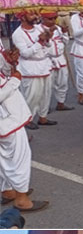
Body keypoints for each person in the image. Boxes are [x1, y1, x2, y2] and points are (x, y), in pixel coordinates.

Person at [0, 49, 47, 213]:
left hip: (7, 118)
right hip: (8, 120)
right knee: (19, 158)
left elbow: (2, 71)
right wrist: (14, 81)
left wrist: (8, 61)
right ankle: (21, 199)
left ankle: (7, 191)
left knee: (4, 158)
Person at [12, 10, 55, 129]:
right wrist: (40, 41)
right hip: (30, 68)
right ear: (23, 18)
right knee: (32, 96)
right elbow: (25, 53)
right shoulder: (17, 34)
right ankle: (27, 119)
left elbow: (48, 46)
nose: (35, 17)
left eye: (35, 14)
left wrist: (47, 38)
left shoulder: (38, 28)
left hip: (44, 66)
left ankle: (43, 117)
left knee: (46, 94)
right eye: (31, 14)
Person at [41, 11, 73, 113]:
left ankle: (61, 103)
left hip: (60, 58)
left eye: (55, 18)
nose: (53, 21)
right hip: (47, 60)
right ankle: (44, 107)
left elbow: (65, 42)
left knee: (63, 82)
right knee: (47, 86)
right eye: (50, 19)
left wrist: (64, 33)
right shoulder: (38, 29)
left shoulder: (58, 28)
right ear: (43, 19)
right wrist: (49, 34)